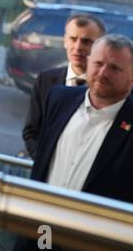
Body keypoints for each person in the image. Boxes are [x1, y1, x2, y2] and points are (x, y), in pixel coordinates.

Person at [20, 33, 133, 251]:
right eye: (98, 63)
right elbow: (42, 168)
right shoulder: (58, 99)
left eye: (115, 68)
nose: (103, 72)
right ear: (87, 64)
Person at [22, 13, 105, 157]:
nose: (78, 47)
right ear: (65, 41)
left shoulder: (106, 88)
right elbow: (31, 132)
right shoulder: (45, 80)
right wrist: (46, 162)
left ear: (100, 46)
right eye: (73, 39)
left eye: (86, 41)